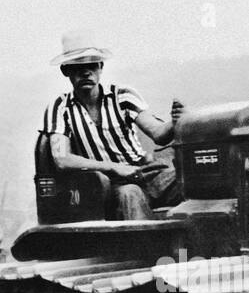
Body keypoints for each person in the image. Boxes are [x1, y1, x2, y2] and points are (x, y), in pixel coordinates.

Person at [43, 30, 183, 220]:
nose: (86, 72)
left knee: (195, 179)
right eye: (77, 67)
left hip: (147, 172)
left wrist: (176, 121)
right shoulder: (60, 108)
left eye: (92, 65)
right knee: (130, 195)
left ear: (100, 67)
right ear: (66, 71)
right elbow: (62, 159)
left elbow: (158, 133)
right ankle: (147, 248)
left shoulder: (123, 95)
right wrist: (114, 167)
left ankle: (211, 247)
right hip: (111, 184)